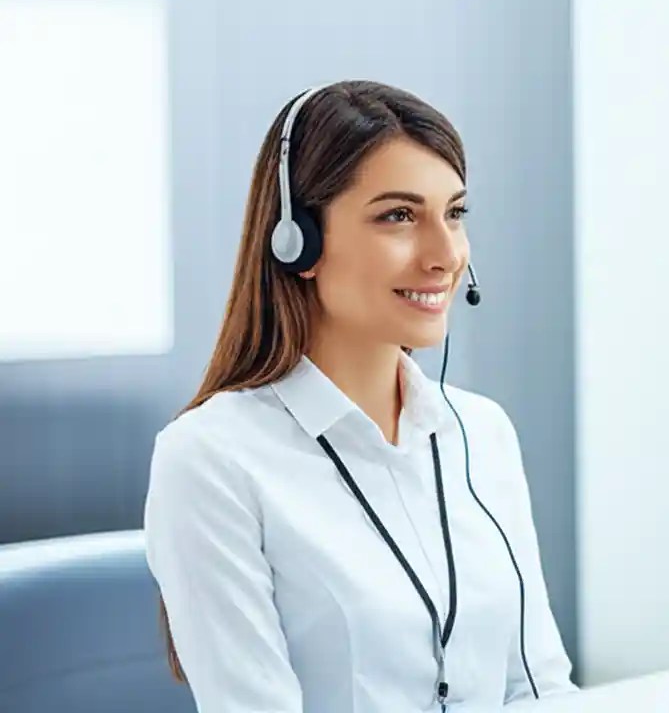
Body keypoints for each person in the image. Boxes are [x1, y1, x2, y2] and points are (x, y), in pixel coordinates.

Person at [143, 80, 575, 712]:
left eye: (454, 213)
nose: (445, 255)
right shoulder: (212, 460)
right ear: (300, 243)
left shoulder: (480, 433)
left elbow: (536, 687)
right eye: (398, 216)